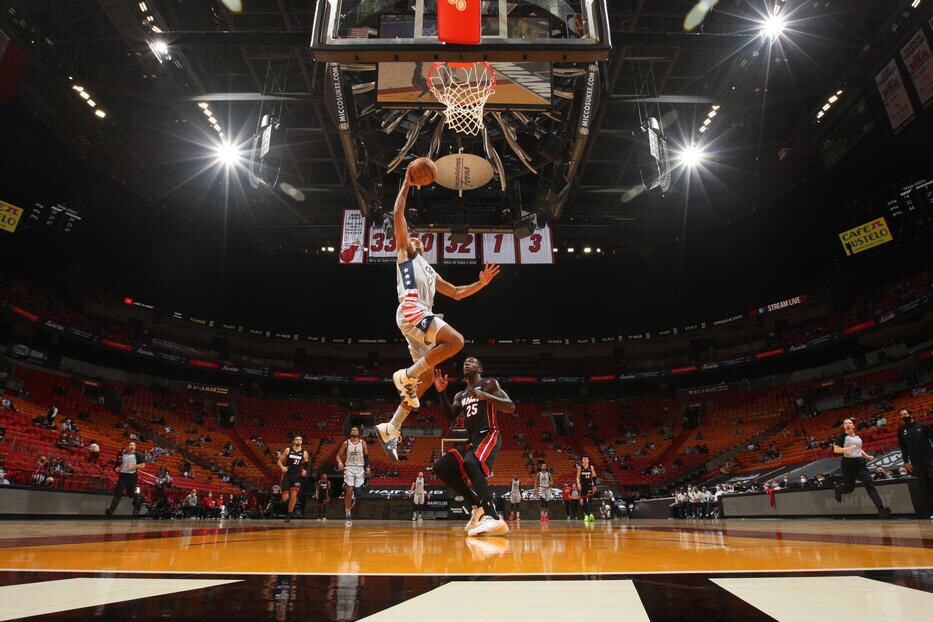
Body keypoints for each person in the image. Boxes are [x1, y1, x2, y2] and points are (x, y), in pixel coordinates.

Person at [374, 166, 501, 460]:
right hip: (410, 308)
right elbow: (397, 216)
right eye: (413, 237)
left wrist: (480, 284)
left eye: (419, 238)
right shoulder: (405, 252)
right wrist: (406, 184)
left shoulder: (429, 270)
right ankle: (405, 375)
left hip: (420, 317)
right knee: (456, 341)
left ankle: (391, 427)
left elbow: (456, 292)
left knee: (427, 381)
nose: (415, 238)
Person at [432, 356, 514, 537]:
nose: (466, 363)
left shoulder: (489, 384)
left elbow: (510, 407)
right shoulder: (460, 395)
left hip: (489, 433)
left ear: (480, 369)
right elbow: (450, 415)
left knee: (471, 462)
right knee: (441, 467)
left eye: (472, 361)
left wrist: (485, 396)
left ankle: (493, 516)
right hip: (472, 441)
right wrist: (441, 393)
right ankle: (477, 507)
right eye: (465, 362)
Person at [832, 418, 891, 517]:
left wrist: (867, 456)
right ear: (844, 426)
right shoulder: (841, 437)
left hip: (860, 463)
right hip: (848, 464)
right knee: (850, 488)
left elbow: (859, 449)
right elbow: (836, 450)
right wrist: (848, 448)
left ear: (853, 426)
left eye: (850, 423)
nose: (848, 424)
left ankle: (881, 509)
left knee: (869, 484)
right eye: (845, 423)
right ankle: (839, 489)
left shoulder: (858, 437)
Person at [897, 408, 933, 518]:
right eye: (902, 415)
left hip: (929, 459)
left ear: (911, 414)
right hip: (916, 462)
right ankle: (931, 512)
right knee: (924, 487)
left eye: (905, 414)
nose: (904, 416)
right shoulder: (901, 430)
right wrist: (906, 461)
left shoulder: (923, 426)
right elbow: (903, 447)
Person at [336, 426, 370, 524]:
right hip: (349, 468)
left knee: (359, 493)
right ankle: (348, 514)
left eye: (356, 430)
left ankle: (354, 495)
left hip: (360, 469)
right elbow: (338, 455)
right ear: (350, 432)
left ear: (359, 433)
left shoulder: (363, 443)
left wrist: (367, 466)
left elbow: (366, 456)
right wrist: (340, 462)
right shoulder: (346, 443)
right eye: (352, 429)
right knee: (349, 490)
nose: (354, 431)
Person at [106, 441, 146, 518]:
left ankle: (138, 498)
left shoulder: (137, 455)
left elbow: (143, 465)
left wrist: (133, 466)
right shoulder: (124, 455)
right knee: (118, 494)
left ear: (135, 447)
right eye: (130, 445)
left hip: (132, 476)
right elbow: (122, 464)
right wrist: (118, 468)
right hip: (123, 476)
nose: (131, 446)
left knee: (129, 494)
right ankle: (111, 511)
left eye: (133, 445)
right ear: (127, 446)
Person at [276, 435, 309, 523]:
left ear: (302, 442)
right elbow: (279, 461)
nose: (298, 441)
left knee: (294, 495)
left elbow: (306, 464)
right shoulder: (288, 450)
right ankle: (290, 505)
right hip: (287, 475)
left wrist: (304, 470)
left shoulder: (304, 453)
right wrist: (282, 467)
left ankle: (289, 514)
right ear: (294, 441)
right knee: (285, 498)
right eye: (297, 439)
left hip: (297, 476)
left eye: (300, 439)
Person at [576, 456, 597, 523]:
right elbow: (578, 477)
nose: (585, 460)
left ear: (588, 460)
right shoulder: (579, 468)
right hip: (583, 485)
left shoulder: (591, 467)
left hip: (589, 485)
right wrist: (578, 484)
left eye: (586, 459)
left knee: (590, 499)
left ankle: (591, 514)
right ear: (582, 460)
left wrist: (595, 485)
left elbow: (594, 476)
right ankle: (586, 515)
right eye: (584, 459)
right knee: (584, 501)